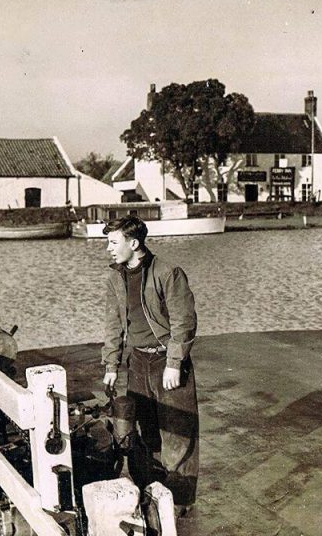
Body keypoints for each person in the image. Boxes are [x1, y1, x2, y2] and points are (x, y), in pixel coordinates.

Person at [100, 216, 199, 511]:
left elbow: (185, 321)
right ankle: (150, 494)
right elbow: (112, 324)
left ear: (134, 243)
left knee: (178, 431)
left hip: (165, 361)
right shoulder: (115, 277)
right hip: (137, 361)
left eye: (113, 242)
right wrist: (111, 365)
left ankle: (180, 500)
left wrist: (174, 362)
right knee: (144, 432)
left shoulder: (168, 273)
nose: (108, 248)